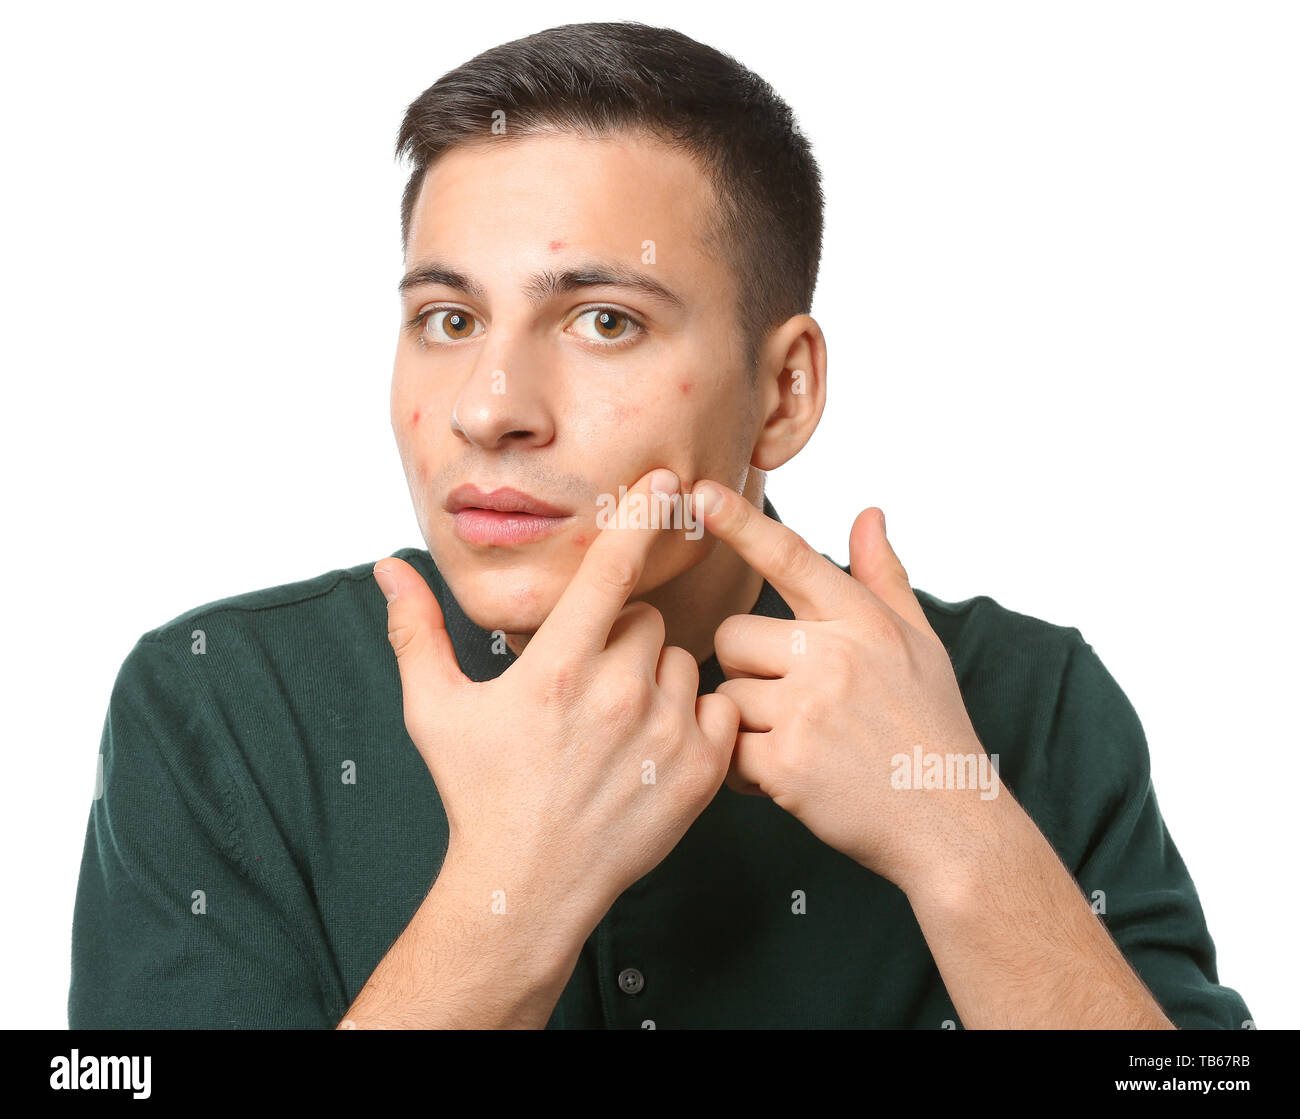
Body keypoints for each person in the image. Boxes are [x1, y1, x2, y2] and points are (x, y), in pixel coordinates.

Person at [69, 21, 1249, 1029]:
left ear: (781, 393)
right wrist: (510, 897)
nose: (488, 410)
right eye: (445, 318)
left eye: (603, 322)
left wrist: (964, 844)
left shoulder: (1026, 702)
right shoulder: (217, 706)